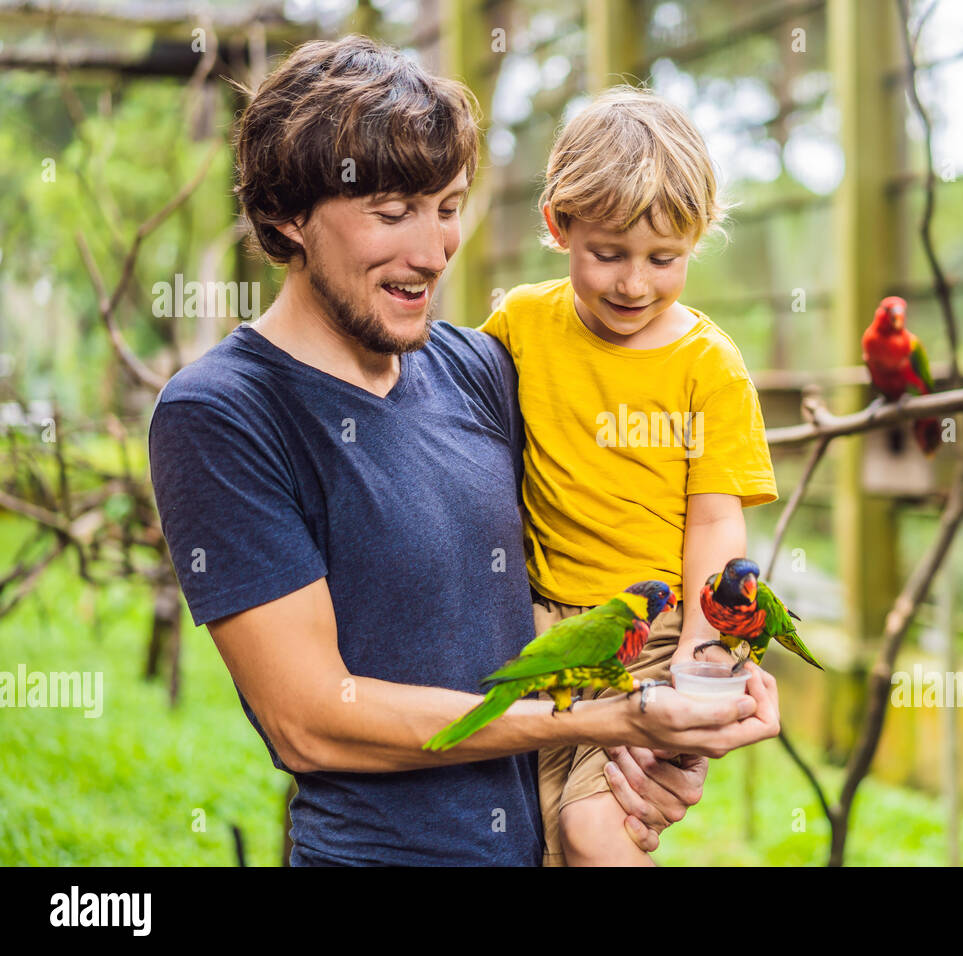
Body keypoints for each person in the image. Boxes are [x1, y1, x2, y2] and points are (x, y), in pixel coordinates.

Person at [146, 36, 780, 867]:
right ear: (287, 216)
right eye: (391, 213)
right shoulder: (226, 414)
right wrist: (609, 717)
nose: (433, 251)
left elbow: (633, 486)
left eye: (446, 207)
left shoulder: (480, 367)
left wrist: (682, 708)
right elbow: (309, 720)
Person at [478, 87, 778, 866]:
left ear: (699, 240)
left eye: (663, 259)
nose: (634, 284)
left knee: (594, 832)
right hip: (539, 624)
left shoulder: (708, 367)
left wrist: (704, 650)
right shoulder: (518, 324)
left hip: (653, 635)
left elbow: (716, 522)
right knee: (535, 836)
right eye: (607, 253)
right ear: (558, 225)